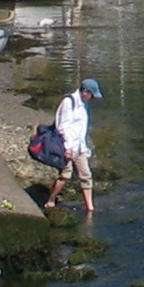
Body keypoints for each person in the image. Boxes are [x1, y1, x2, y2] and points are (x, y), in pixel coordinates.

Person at [48, 78, 102, 217]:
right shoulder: (68, 102)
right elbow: (62, 126)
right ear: (85, 92)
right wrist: (67, 147)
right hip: (68, 146)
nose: (93, 98)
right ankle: (51, 200)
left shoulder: (85, 104)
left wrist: (84, 147)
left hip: (80, 146)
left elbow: (81, 128)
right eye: (92, 95)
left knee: (86, 176)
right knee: (65, 175)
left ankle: (90, 207)